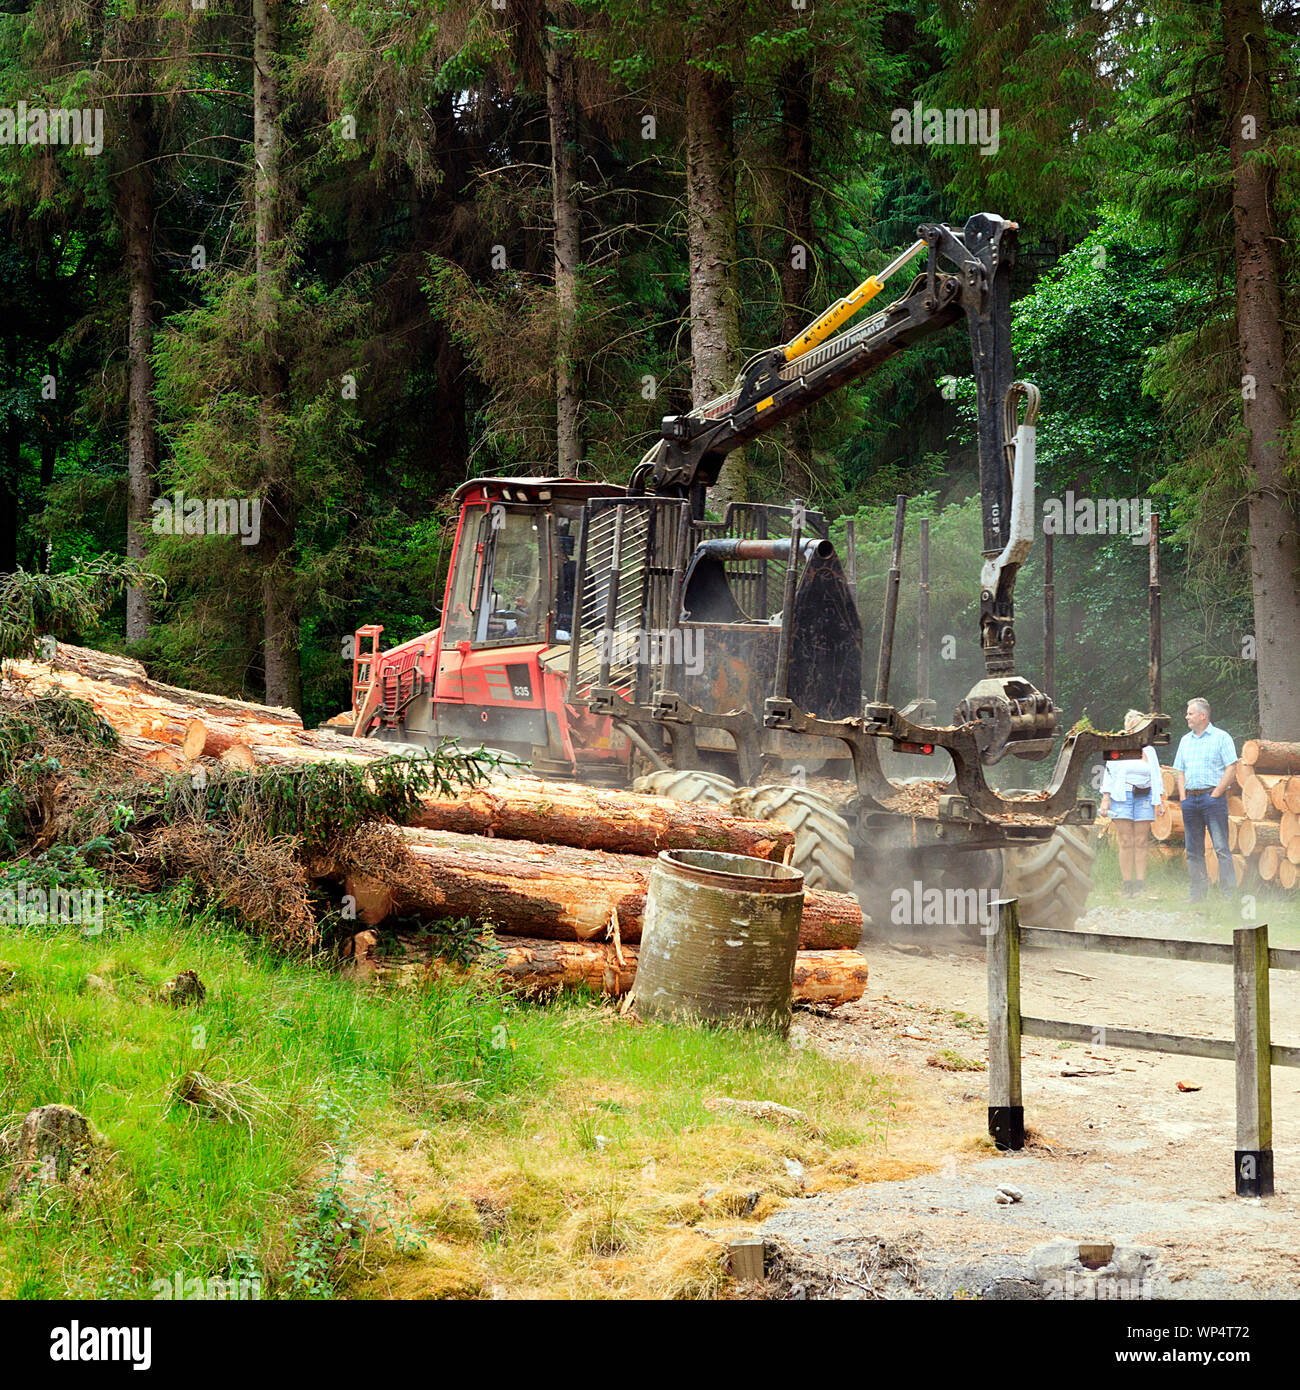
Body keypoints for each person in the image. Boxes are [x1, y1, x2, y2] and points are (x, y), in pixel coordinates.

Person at [1172, 696, 1238, 901]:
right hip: (1190, 800)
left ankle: (1229, 896)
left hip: (1213, 800)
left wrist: (1217, 793)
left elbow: (1232, 767)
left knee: (1221, 848)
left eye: (1190, 713)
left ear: (1203, 715)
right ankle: (1197, 895)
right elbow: (1179, 770)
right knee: (1193, 850)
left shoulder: (1221, 737)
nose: (1187, 717)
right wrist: (1183, 797)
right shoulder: (1185, 740)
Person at [1099, 710, 1164, 898]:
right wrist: (1105, 798)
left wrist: (1159, 801)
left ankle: (1140, 885)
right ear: (1127, 726)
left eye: (1139, 726)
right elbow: (1108, 773)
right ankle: (1127, 884)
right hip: (1122, 796)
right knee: (1126, 841)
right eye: (1133, 725)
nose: (1135, 728)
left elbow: (1156, 775)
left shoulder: (1149, 750)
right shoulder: (1117, 746)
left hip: (1144, 795)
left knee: (1141, 841)